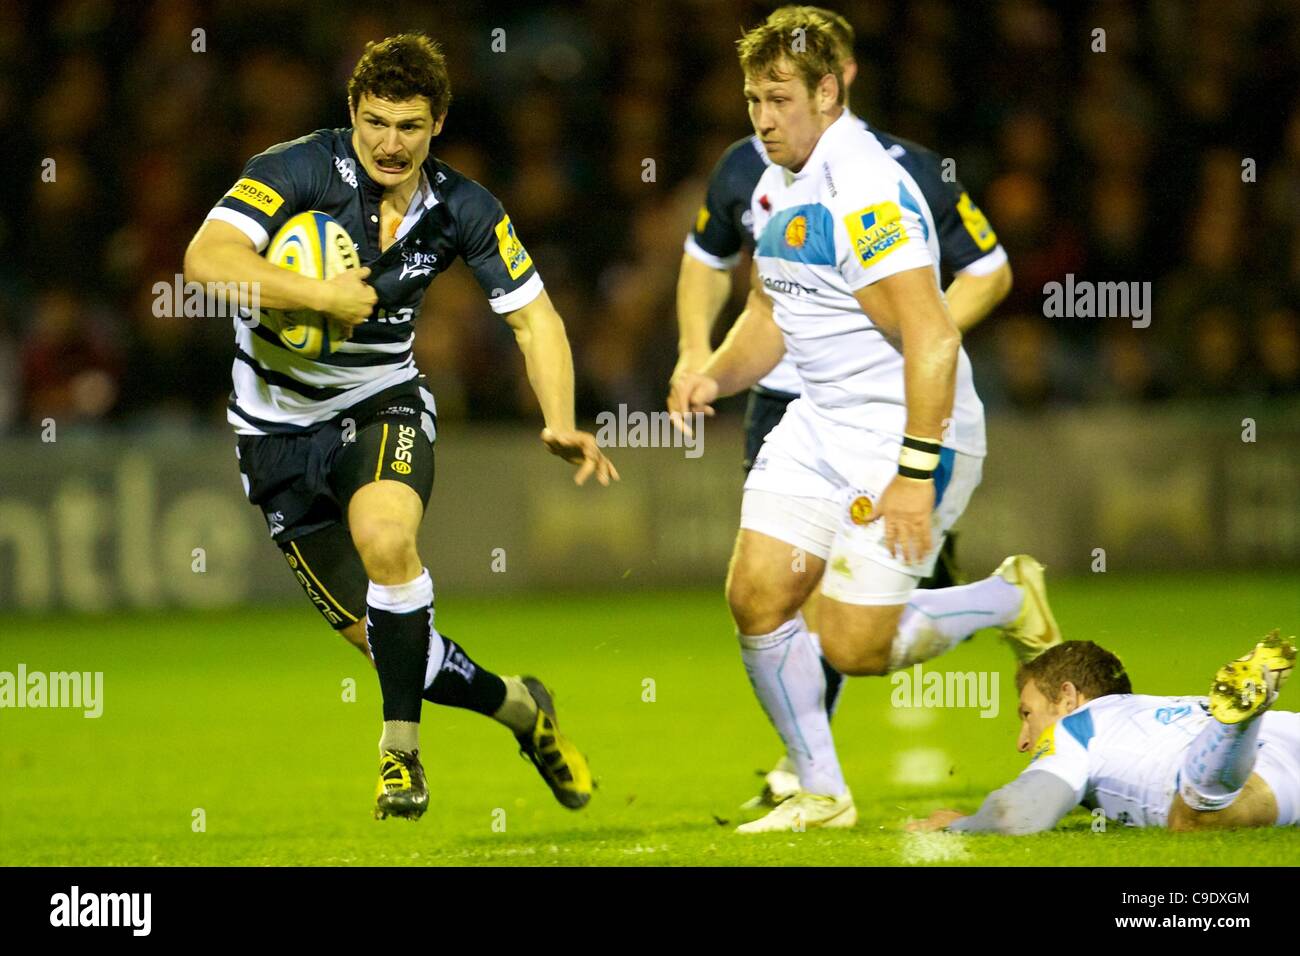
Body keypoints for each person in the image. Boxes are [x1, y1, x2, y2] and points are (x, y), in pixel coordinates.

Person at [183, 33, 617, 821]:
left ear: (438, 123)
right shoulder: (297, 168)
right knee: (390, 646)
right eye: (376, 122)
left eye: (410, 126)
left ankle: (399, 756)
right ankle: (521, 706)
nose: (390, 143)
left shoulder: (463, 208)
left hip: (383, 403)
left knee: (389, 541)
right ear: (352, 112)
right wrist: (319, 296)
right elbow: (206, 260)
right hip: (275, 433)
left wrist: (560, 419)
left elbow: (536, 320)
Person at [670, 14, 1057, 834]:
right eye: (751, 99)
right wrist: (712, 374)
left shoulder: (866, 188)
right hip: (817, 420)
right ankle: (821, 791)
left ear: (830, 90)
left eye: (779, 99)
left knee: (852, 645)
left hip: (907, 431)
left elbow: (933, 334)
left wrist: (913, 476)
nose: (762, 117)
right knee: (757, 594)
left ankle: (1003, 597)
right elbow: (771, 309)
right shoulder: (783, 178)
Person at [908, 633, 1298, 833]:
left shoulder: (1079, 728)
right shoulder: (1157, 707)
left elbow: (1020, 814)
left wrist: (959, 825)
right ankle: (1242, 714)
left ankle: (1236, 723)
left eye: (1027, 714)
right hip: (1284, 739)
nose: (1023, 741)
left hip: (1238, 778)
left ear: (1067, 697)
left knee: (1195, 818)